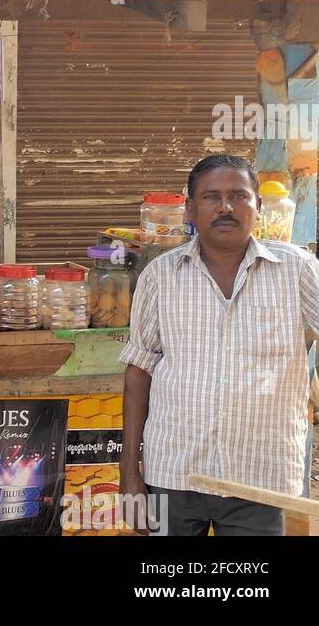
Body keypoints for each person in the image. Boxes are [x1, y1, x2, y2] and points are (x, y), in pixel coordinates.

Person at [119, 154, 319, 536]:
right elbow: (138, 372)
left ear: (258, 206)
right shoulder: (160, 275)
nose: (225, 207)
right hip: (174, 469)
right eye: (211, 197)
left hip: (260, 475)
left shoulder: (298, 269)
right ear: (191, 209)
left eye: (238, 196)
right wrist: (129, 471)